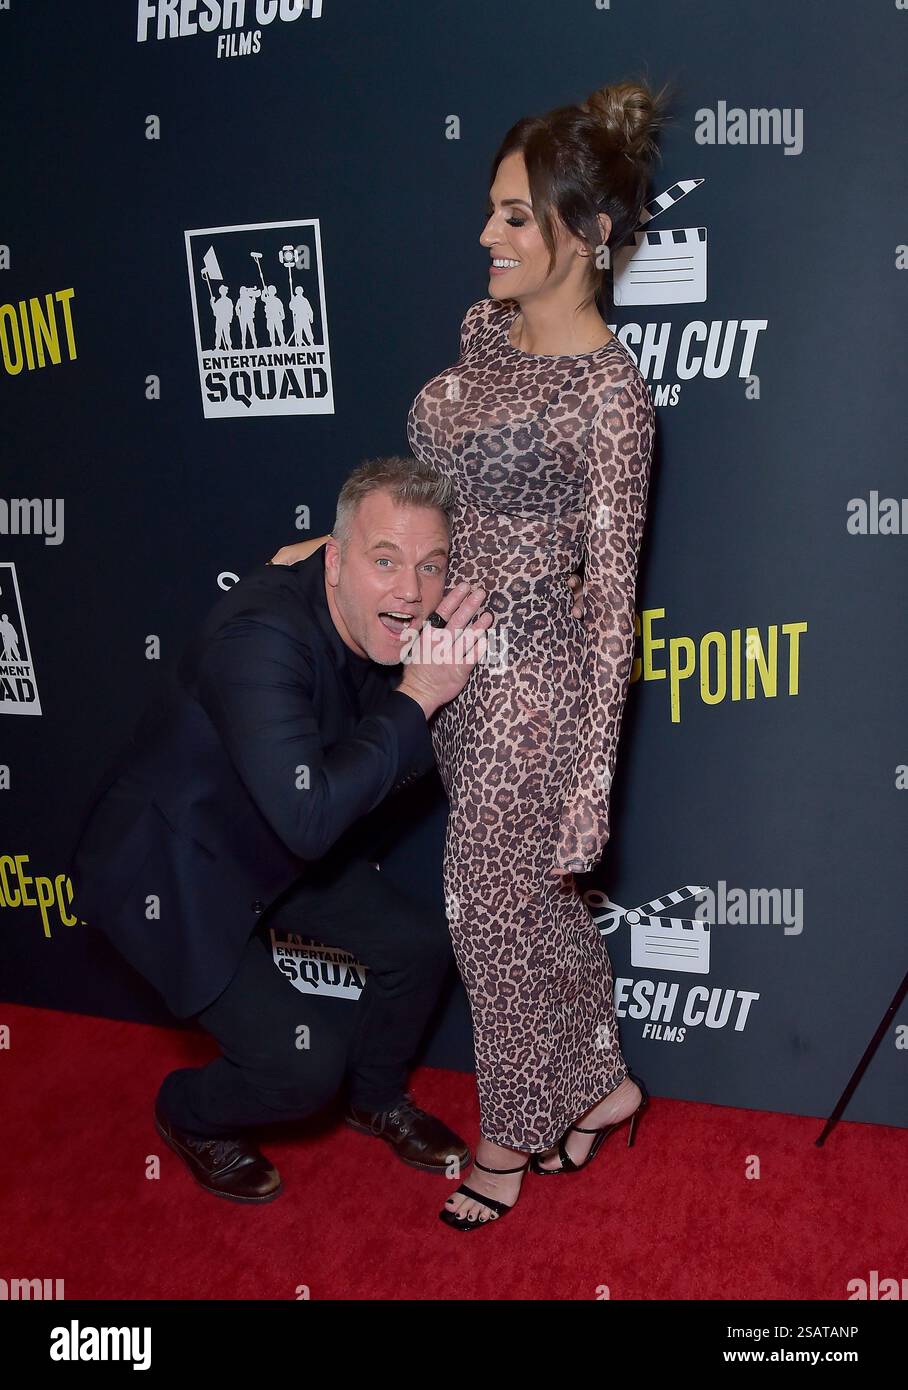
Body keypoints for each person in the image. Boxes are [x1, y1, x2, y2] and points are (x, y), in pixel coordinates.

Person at [271, 78, 666, 1229]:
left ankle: (508, 1134)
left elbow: (612, 608)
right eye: (489, 210)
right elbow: (442, 483)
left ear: (586, 236)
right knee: (529, 904)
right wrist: (360, 546)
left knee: (483, 908)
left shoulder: (610, 402)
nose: (482, 235)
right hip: (447, 657)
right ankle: (600, 1081)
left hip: (535, 676)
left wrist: (589, 789)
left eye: (510, 217)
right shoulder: (480, 330)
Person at [67, 458, 494, 1204]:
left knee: (419, 944)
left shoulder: (373, 609)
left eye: (431, 567)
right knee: (298, 1069)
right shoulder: (259, 638)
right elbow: (311, 817)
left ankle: (376, 1097)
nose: (410, 591)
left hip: (277, 839)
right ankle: (187, 1115)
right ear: (333, 559)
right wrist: (421, 694)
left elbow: (335, 792)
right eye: (383, 560)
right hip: (175, 867)